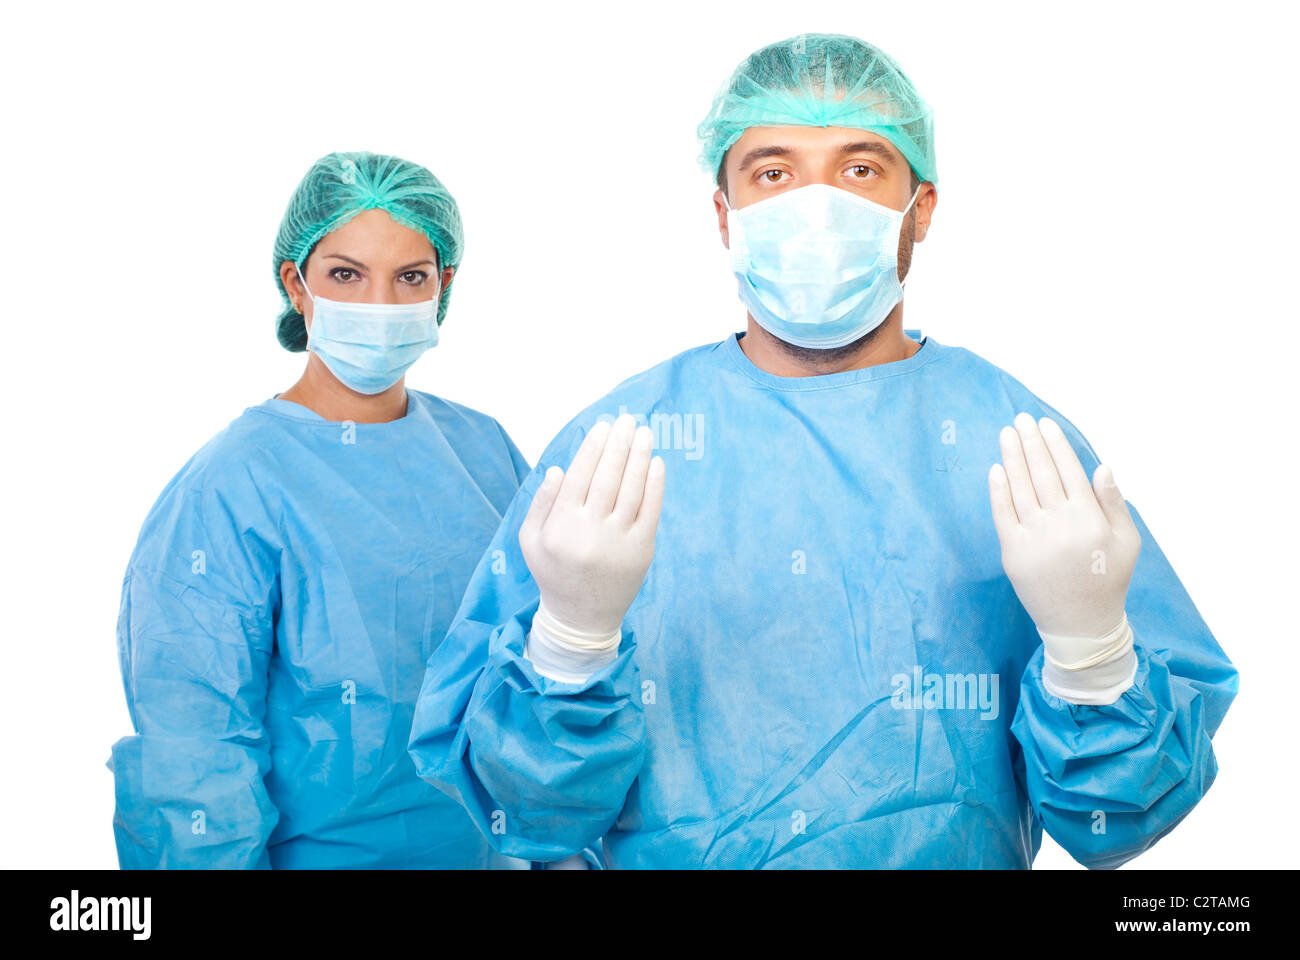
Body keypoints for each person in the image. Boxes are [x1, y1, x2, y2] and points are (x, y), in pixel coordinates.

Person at [408, 34, 1238, 869]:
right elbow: (526, 819)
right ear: (723, 214)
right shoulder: (617, 450)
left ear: (922, 207)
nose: (815, 206)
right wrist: (569, 642)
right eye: (773, 172)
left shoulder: (1014, 445)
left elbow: (1118, 823)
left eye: (860, 169)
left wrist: (1090, 650)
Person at [109, 151, 531, 868]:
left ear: (444, 287)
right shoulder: (232, 485)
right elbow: (195, 755)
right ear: (295, 285)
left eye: (410, 278)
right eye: (345, 275)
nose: (379, 304)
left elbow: (535, 660)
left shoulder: (482, 448)